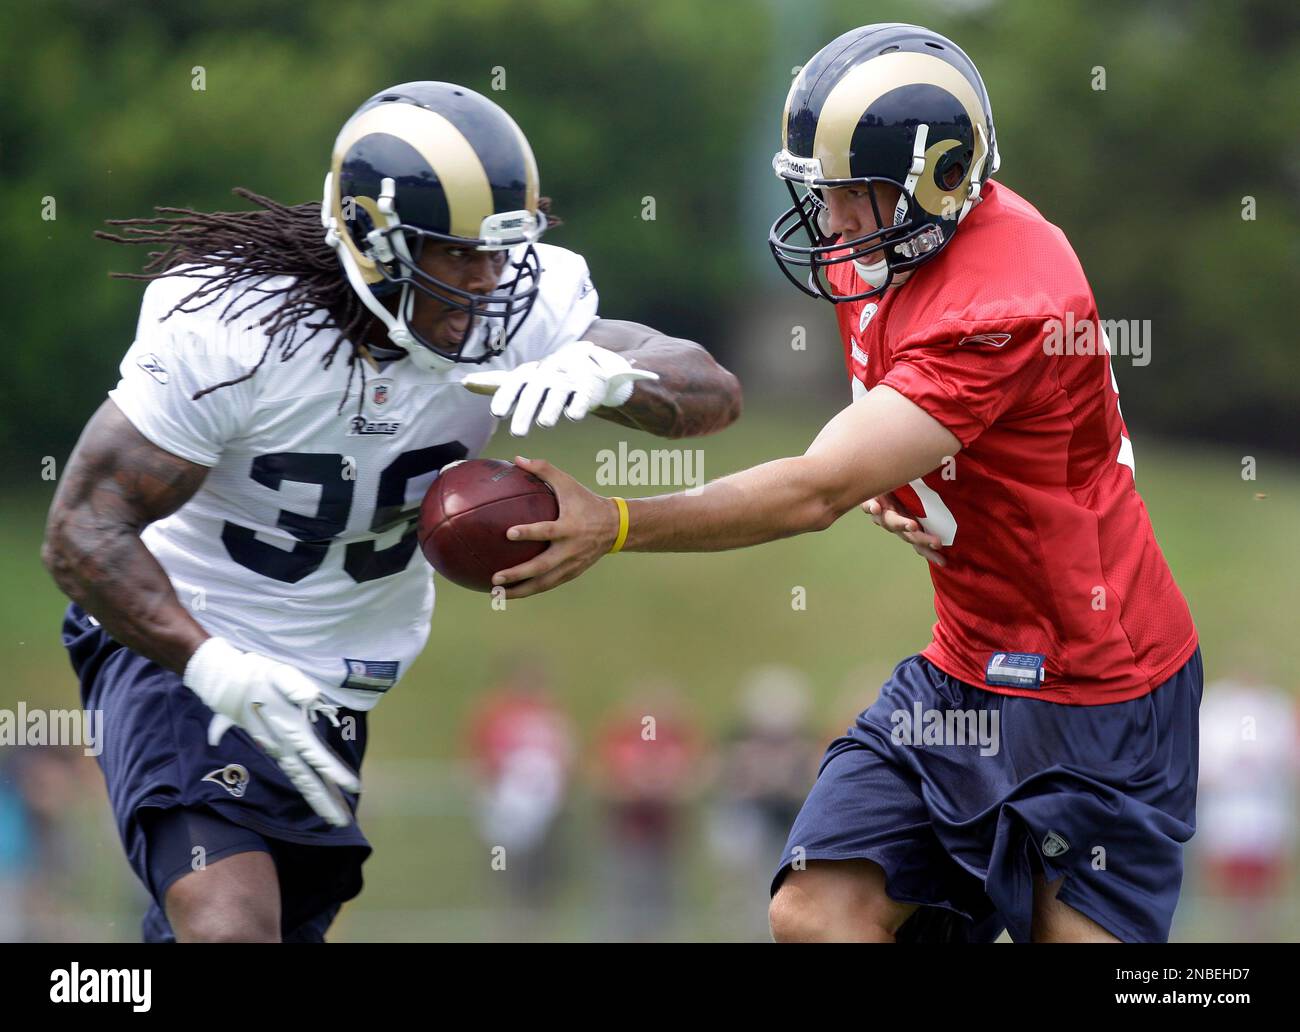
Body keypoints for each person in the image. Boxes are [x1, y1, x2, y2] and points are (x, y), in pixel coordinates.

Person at [491, 24, 1201, 943]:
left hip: (1098, 691)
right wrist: (909, 480)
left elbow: (813, 490)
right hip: (965, 667)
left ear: (939, 182)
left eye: (851, 197)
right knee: (816, 913)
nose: (831, 221)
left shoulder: (1007, 299)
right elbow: (903, 443)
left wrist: (617, 520)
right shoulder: (895, 248)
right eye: (820, 193)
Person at [42, 81, 741, 943]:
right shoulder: (234, 330)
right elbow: (81, 529)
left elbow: (716, 395)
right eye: (456, 256)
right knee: (227, 928)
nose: (489, 283)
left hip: (336, 679)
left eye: (502, 253)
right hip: (183, 642)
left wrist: (618, 375)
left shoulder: (523, 309)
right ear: (373, 244)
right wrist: (210, 664)